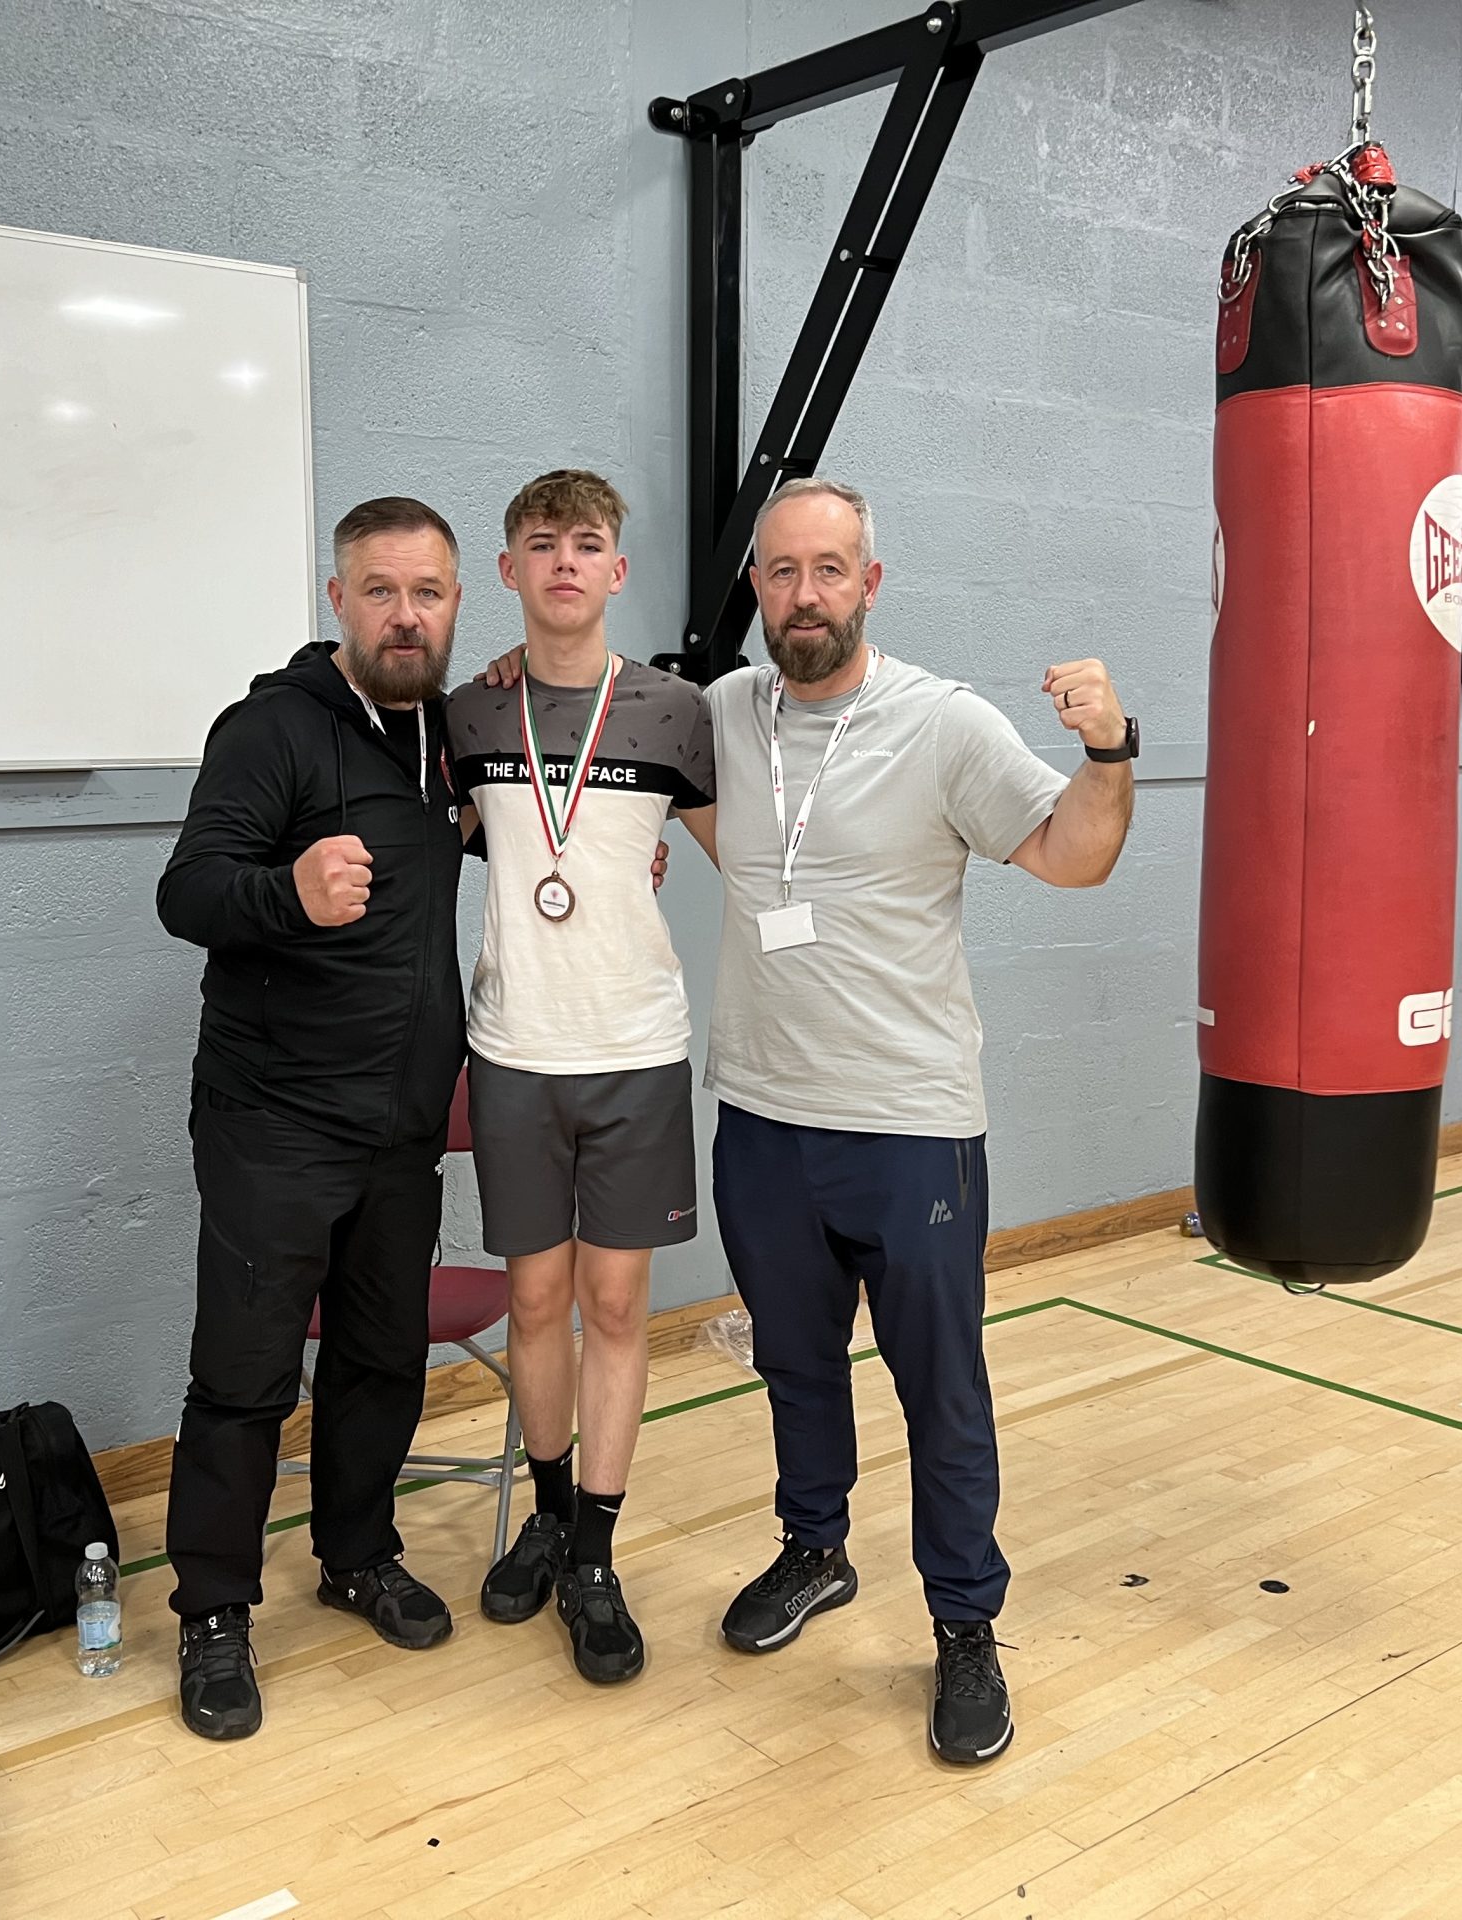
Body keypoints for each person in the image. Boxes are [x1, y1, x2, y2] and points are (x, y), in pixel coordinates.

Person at [705, 476, 1135, 1767]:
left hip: (909, 1127)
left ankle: (963, 1629)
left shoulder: (943, 723)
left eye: (829, 570)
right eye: (781, 573)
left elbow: (1075, 855)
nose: (804, 595)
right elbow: (617, 741)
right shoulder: (724, 713)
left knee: (942, 1392)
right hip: (764, 1118)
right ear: (760, 591)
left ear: (870, 584)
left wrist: (1109, 751)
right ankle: (815, 1550)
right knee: (796, 1365)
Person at [154, 496, 469, 1741]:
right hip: (273, 1120)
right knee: (241, 1379)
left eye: (429, 592)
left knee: (383, 1360)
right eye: (382, 590)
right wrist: (286, 891)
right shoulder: (271, 731)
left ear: (455, 602)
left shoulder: (448, 737)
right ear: (338, 598)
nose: (406, 614)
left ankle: (354, 1553)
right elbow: (187, 890)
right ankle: (213, 1614)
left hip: (399, 1124)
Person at [447, 470, 718, 1684]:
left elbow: (750, 858)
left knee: (616, 1308)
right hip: (513, 1052)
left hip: (635, 1052)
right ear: (508, 572)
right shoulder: (464, 717)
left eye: (589, 544)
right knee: (539, 1305)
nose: (565, 562)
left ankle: (595, 1553)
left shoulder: (671, 713)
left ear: (618, 571)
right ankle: (547, 1520)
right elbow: (458, 841)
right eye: (541, 544)